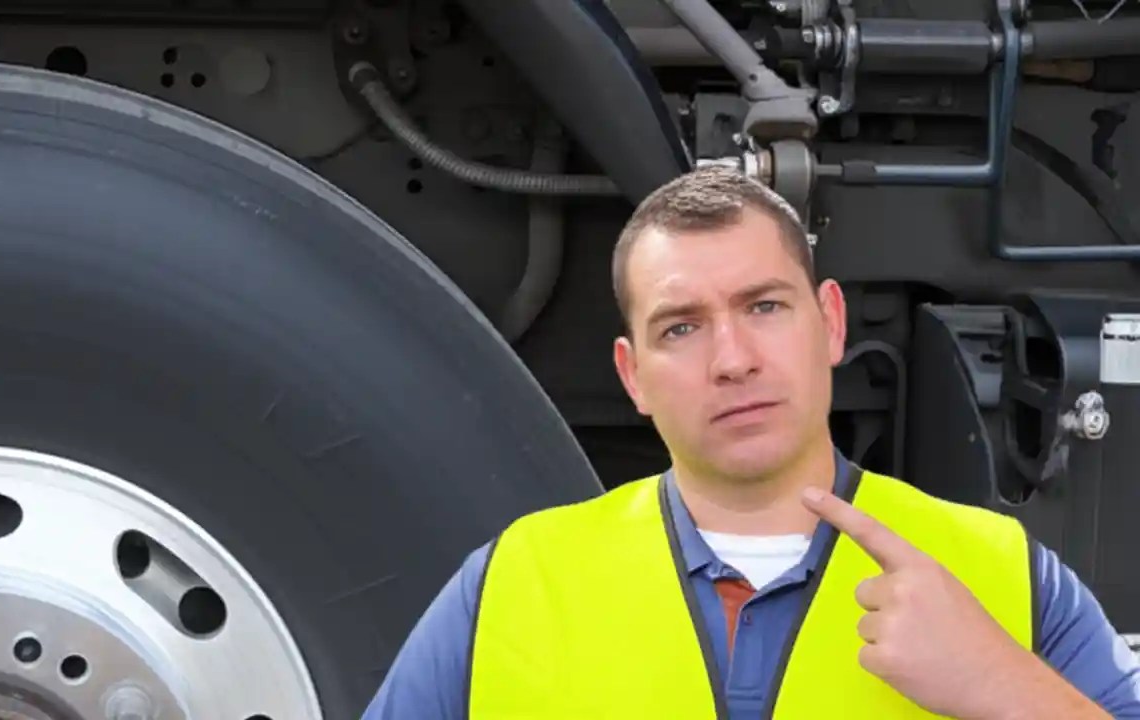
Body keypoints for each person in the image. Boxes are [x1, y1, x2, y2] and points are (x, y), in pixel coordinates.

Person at [361, 166, 1140, 719]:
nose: (732, 360)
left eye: (764, 307)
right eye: (682, 328)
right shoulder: (512, 587)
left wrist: (1005, 687)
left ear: (830, 323)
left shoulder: (1002, 579)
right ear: (633, 376)